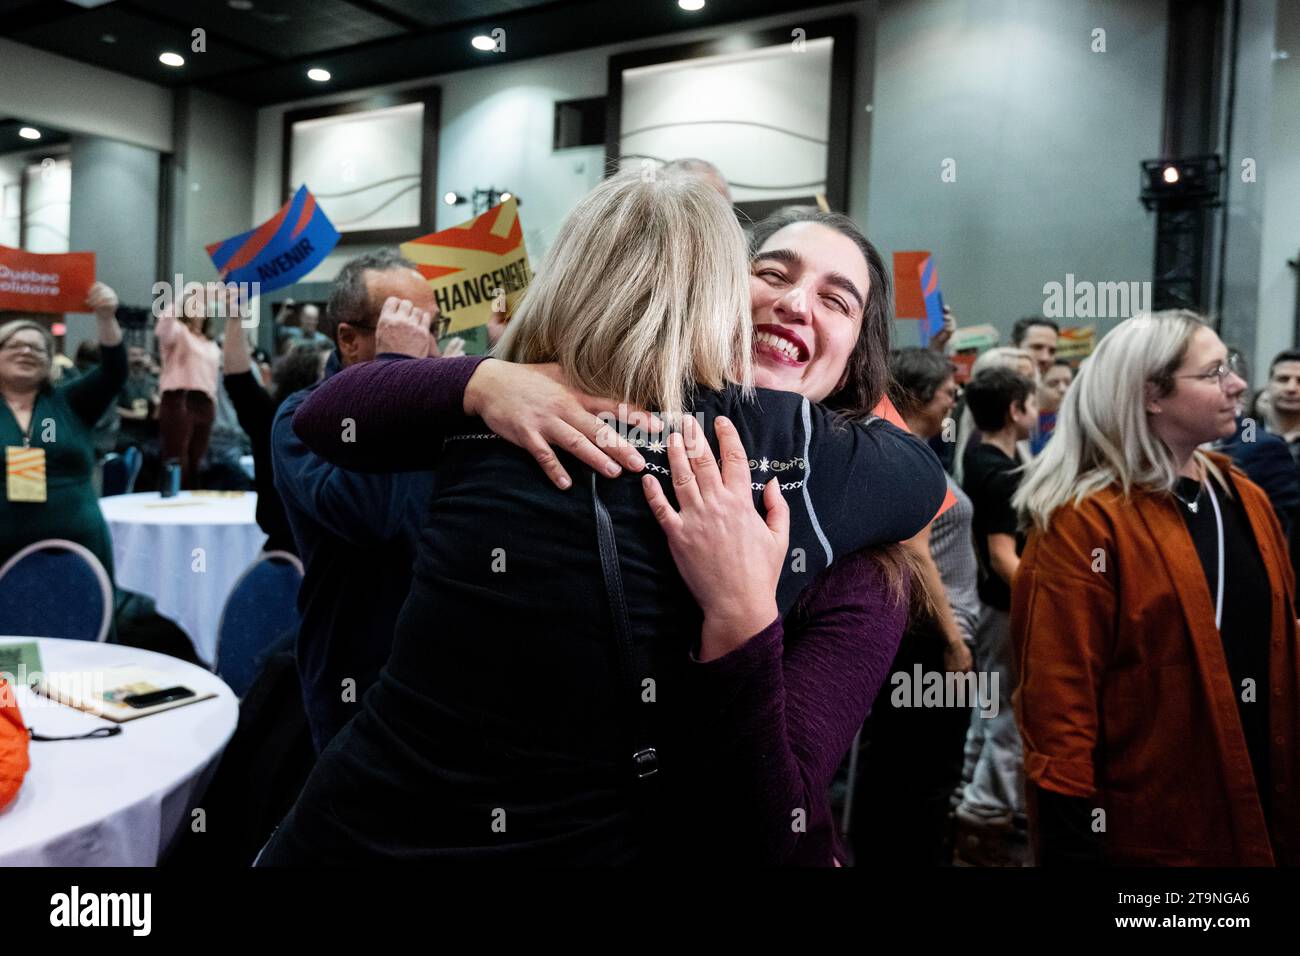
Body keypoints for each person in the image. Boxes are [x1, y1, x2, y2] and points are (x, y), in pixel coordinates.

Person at [260, 169, 946, 865]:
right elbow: (328, 418)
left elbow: (776, 832)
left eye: (838, 300)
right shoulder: (525, 409)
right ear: (713, 287)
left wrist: (741, 617)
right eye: (772, 272)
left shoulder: (855, 543)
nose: (797, 303)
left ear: (858, 356)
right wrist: (484, 378)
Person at [1012, 310, 1300, 865]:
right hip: (1152, 834)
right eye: (1214, 372)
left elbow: (1275, 644)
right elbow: (1059, 707)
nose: (1238, 384)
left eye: (1232, 368)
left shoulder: (1248, 500)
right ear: (1151, 395)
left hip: (1260, 813)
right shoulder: (1084, 523)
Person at [850, 347, 980, 865]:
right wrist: (953, 641)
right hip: (928, 642)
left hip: (920, 639)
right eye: (949, 391)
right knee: (924, 775)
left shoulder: (903, 449)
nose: (955, 400)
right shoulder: (906, 455)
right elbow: (916, 551)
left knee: (909, 770)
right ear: (922, 397)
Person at [955, 366, 1037, 865]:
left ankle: (969, 793)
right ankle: (986, 816)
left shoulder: (978, 455)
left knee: (989, 710)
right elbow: (1004, 554)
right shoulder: (1003, 472)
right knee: (1008, 718)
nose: (1038, 411)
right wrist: (1047, 595)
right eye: (1031, 403)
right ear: (1014, 410)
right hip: (1004, 606)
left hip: (988, 603)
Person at [0, 284, 125, 575]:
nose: (26, 351)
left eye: (37, 348)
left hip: (76, 548)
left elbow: (114, 371)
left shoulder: (71, 402)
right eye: (15, 345)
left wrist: (106, 317)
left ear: (49, 361)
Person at [222, 310, 320, 555]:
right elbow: (238, 379)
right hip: (285, 552)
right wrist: (235, 317)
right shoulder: (273, 419)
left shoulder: (343, 426)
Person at [156, 295, 220, 489]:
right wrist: (184, 294)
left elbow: (212, 376)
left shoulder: (211, 344)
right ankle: (172, 499)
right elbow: (163, 326)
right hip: (180, 399)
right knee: (177, 456)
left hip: (205, 401)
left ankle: (192, 503)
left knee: (198, 459)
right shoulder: (179, 332)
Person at [1030, 359, 1073, 455]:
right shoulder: (1026, 423)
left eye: (1068, 383)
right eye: (1053, 383)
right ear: (1037, 386)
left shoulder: (1077, 420)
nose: (1063, 389)